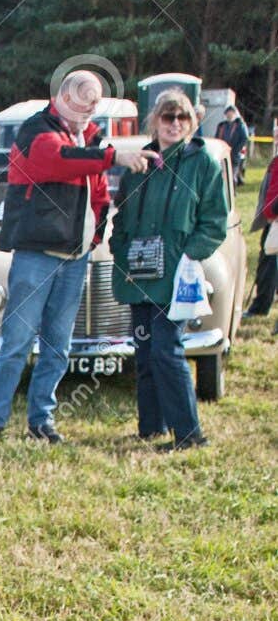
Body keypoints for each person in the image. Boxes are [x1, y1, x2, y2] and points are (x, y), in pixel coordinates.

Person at [0, 70, 150, 443]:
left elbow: (100, 194)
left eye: (95, 101)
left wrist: (93, 238)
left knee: (58, 346)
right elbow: (58, 160)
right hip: (36, 254)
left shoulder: (89, 139)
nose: (91, 107)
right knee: (17, 343)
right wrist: (112, 155)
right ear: (61, 96)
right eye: (85, 98)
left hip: (75, 258)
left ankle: (41, 420)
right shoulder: (35, 131)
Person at [112, 90, 228, 450]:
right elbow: (123, 219)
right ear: (155, 121)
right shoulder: (141, 164)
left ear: (192, 122)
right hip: (139, 274)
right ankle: (151, 427)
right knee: (144, 352)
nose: (174, 124)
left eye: (181, 118)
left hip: (175, 277)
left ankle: (190, 435)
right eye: (167, 117)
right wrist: (120, 251)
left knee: (166, 351)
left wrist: (188, 257)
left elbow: (214, 222)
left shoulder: (202, 162)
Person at [243, 150, 278, 319]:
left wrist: (273, 211)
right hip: (271, 220)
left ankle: (260, 307)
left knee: (269, 265)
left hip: (275, 220)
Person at [215, 105, 249, 186]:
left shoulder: (240, 125)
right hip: (222, 154)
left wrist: (235, 150)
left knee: (232, 175)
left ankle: (232, 192)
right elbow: (216, 137)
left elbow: (244, 138)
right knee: (221, 174)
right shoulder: (221, 125)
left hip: (234, 155)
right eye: (227, 113)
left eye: (231, 113)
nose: (229, 115)